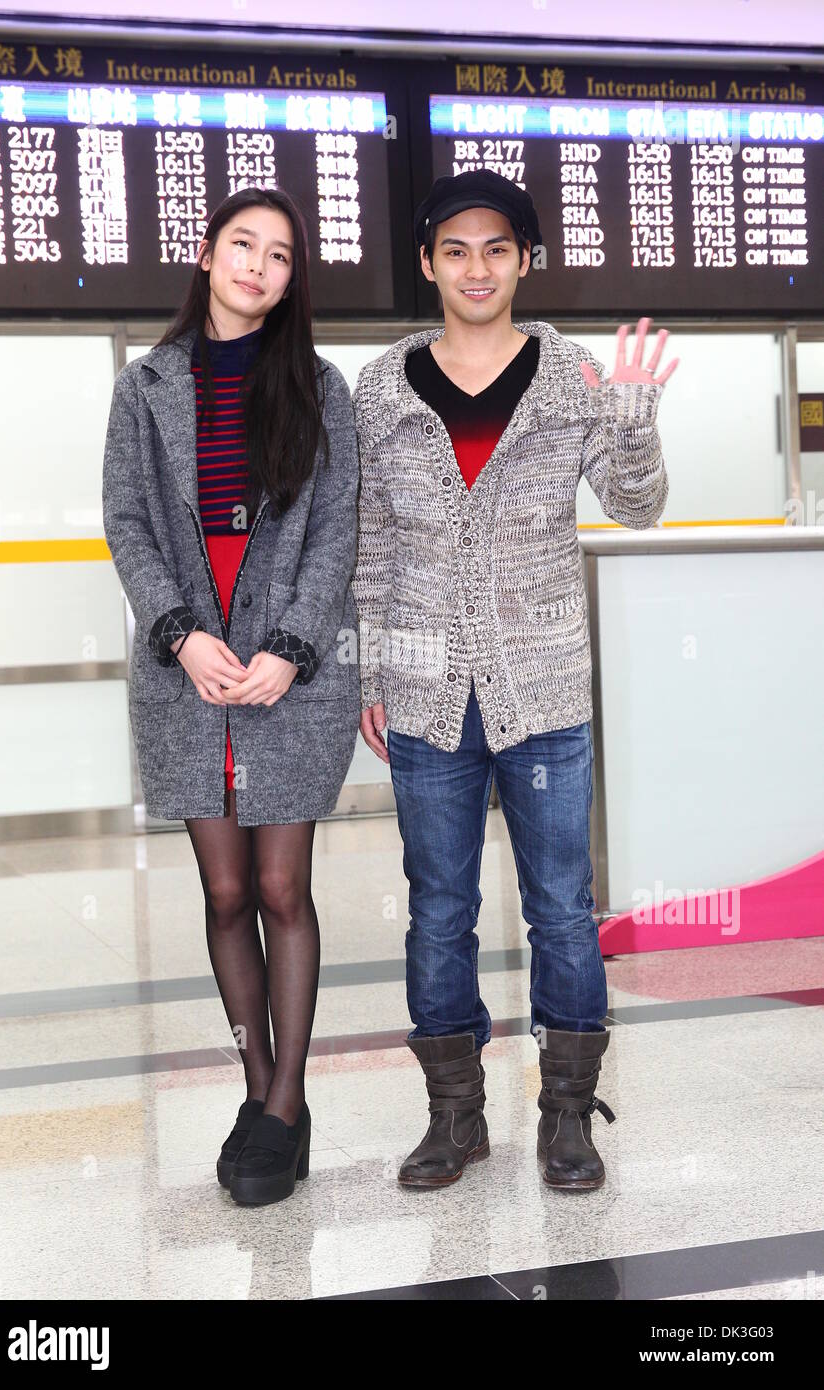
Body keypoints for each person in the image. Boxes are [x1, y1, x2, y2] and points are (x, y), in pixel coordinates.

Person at [351, 169, 679, 1193]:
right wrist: (372, 662)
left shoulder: (572, 373)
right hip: (422, 692)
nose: (476, 266)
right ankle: (453, 1118)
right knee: (437, 908)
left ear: (525, 261)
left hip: (541, 689)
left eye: (497, 247)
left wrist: (631, 418)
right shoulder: (381, 382)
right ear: (426, 264)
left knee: (561, 910)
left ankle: (567, 1116)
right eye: (455, 248)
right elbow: (368, 537)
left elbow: (635, 508)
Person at [102, 187, 362, 1207]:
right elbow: (125, 518)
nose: (259, 265)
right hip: (186, 672)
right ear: (207, 255)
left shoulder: (319, 386)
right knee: (222, 893)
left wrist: (292, 647)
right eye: (244, 245)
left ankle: (289, 1101)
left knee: (281, 890)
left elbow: (336, 529)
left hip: (288, 678)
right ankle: (255, 1087)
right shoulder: (147, 385)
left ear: (292, 279)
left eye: (282, 255)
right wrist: (179, 632)